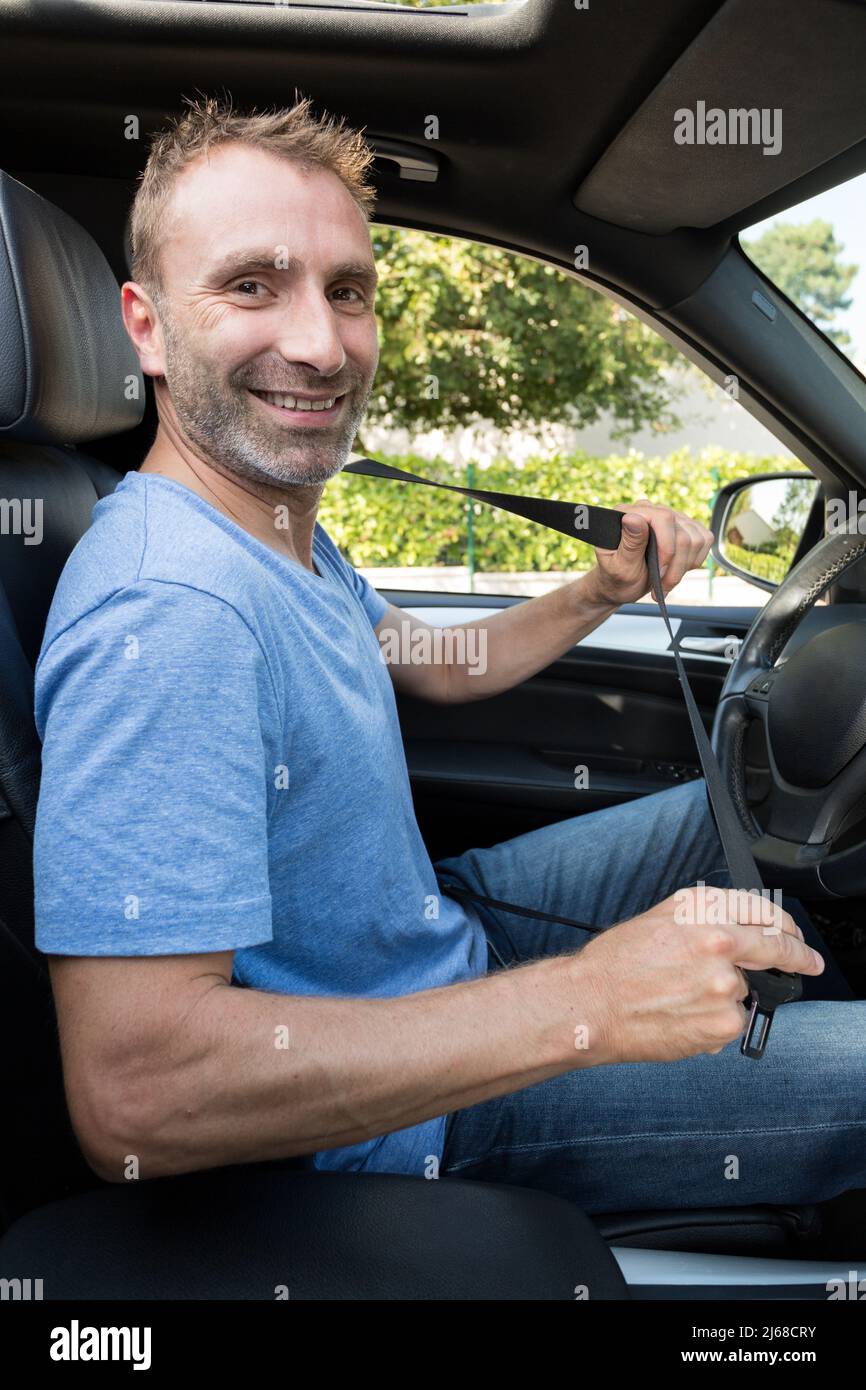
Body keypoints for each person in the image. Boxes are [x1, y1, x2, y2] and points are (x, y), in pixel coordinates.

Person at [34, 95, 862, 1216]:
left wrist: (594, 591)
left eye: (347, 291)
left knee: (713, 817)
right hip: (406, 1130)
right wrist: (587, 1003)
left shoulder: (270, 530)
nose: (320, 344)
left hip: (428, 933)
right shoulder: (169, 608)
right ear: (143, 326)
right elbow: (134, 1095)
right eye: (250, 285)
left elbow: (425, 656)